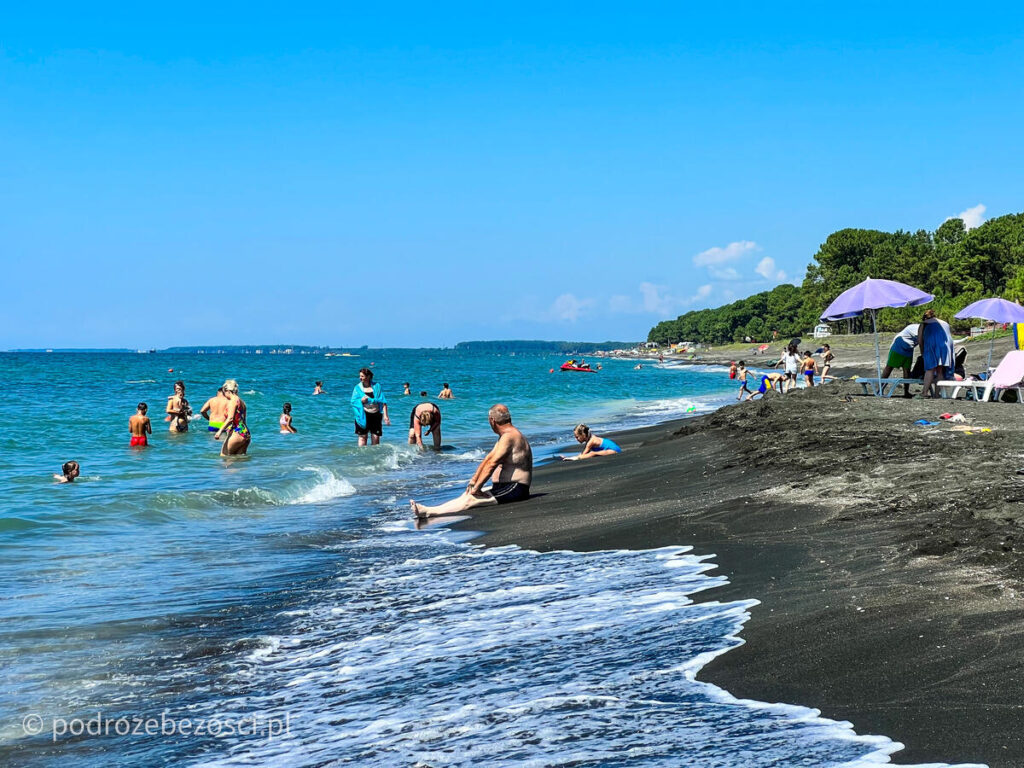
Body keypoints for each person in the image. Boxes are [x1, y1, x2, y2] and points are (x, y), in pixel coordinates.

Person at [411, 404, 532, 518]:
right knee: (468, 494)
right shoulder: (506, 435)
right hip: (505, 486)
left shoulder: (510, 437)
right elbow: (488, 459)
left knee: (471, 500)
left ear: (492, 421)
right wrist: (474, 482)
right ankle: (431, 509)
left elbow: (492, 464)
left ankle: (429, 512)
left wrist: (478, 488)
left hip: (515, 489)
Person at [920, 309, 955, 398]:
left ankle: (924, 392)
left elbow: (920, 339)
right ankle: (936, 394)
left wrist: (922, 351)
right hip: (945, 345)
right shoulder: (944, 323)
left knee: (930, 369)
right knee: (940, 370)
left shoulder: (924, 323)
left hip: (932, 344)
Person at [351, 368, 390, 446]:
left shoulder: (377, 386)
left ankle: (375, 456)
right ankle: (361, 456)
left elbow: (383, 402)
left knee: (376, 437)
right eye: (360, 376)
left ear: (368, 376)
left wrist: (386, 416)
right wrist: (361, 401)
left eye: (362, 376)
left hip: (376, 414)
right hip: (362, 415)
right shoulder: (357, 388)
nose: (360, 378)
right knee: (363, 437)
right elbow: (353, 401)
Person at [881, 323, 920, 397]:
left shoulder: (927, 331)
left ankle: (906, 392)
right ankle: (880, 388)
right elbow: (921, 341)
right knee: (889, 367)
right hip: (899, 344)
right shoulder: (917, 328)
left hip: (909, 348)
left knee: (907, 370)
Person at [214, 379, 251, 455]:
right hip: (245, 432)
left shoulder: (232, 401)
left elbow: (230, 418)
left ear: (227, 390)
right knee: (238, 460)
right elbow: (244, 420)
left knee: (224, 456)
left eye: (224, 392)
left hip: (236, 432)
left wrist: (219, 431)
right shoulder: (242, 402)